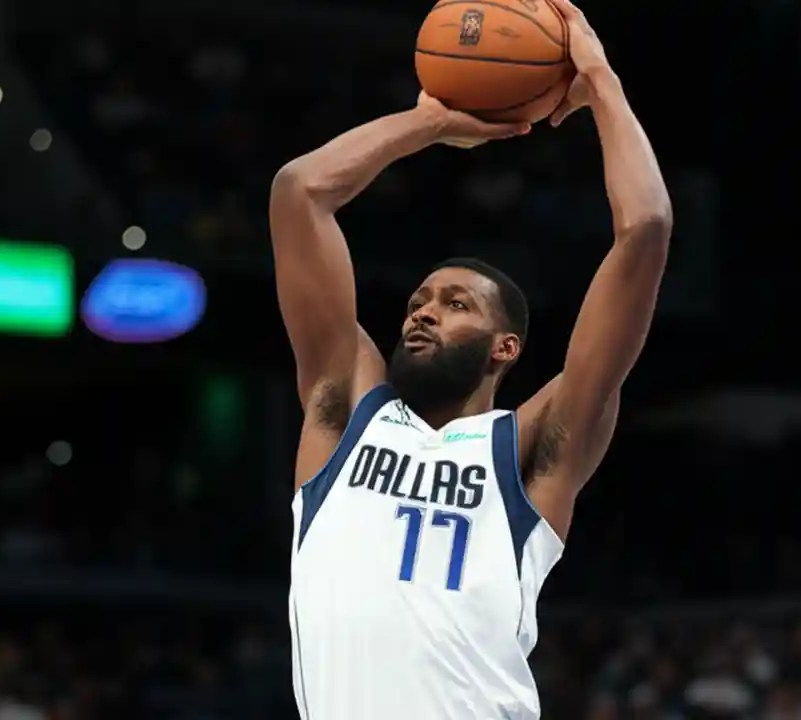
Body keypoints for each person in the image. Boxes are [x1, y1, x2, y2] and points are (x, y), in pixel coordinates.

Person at [269, 1, 672, 717]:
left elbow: (646, 227)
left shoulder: (529, 447)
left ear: (504, 348)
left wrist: (601, 80)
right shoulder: (346, 412)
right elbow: (300, 193)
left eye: (456, 304)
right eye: (419, 300)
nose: (423, 311)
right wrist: (428, 122)